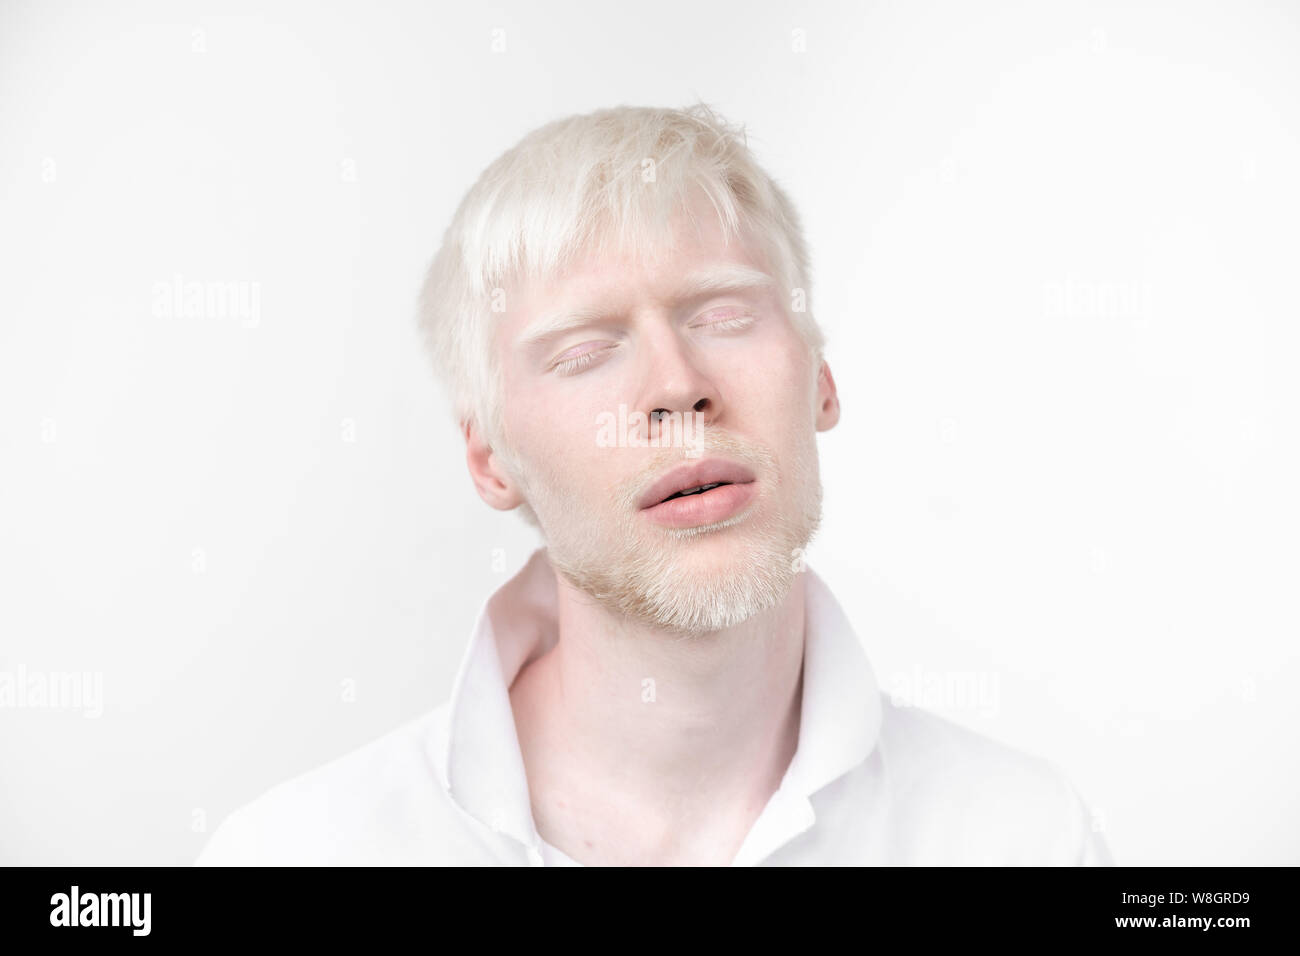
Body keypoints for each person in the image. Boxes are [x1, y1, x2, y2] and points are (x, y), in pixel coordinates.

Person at [194, 103, 1114, 866]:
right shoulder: (298, 854)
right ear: (491, 460)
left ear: (821, 380)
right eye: (586, 352)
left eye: (724, 313)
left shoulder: (1026, 838)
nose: (678, 387)